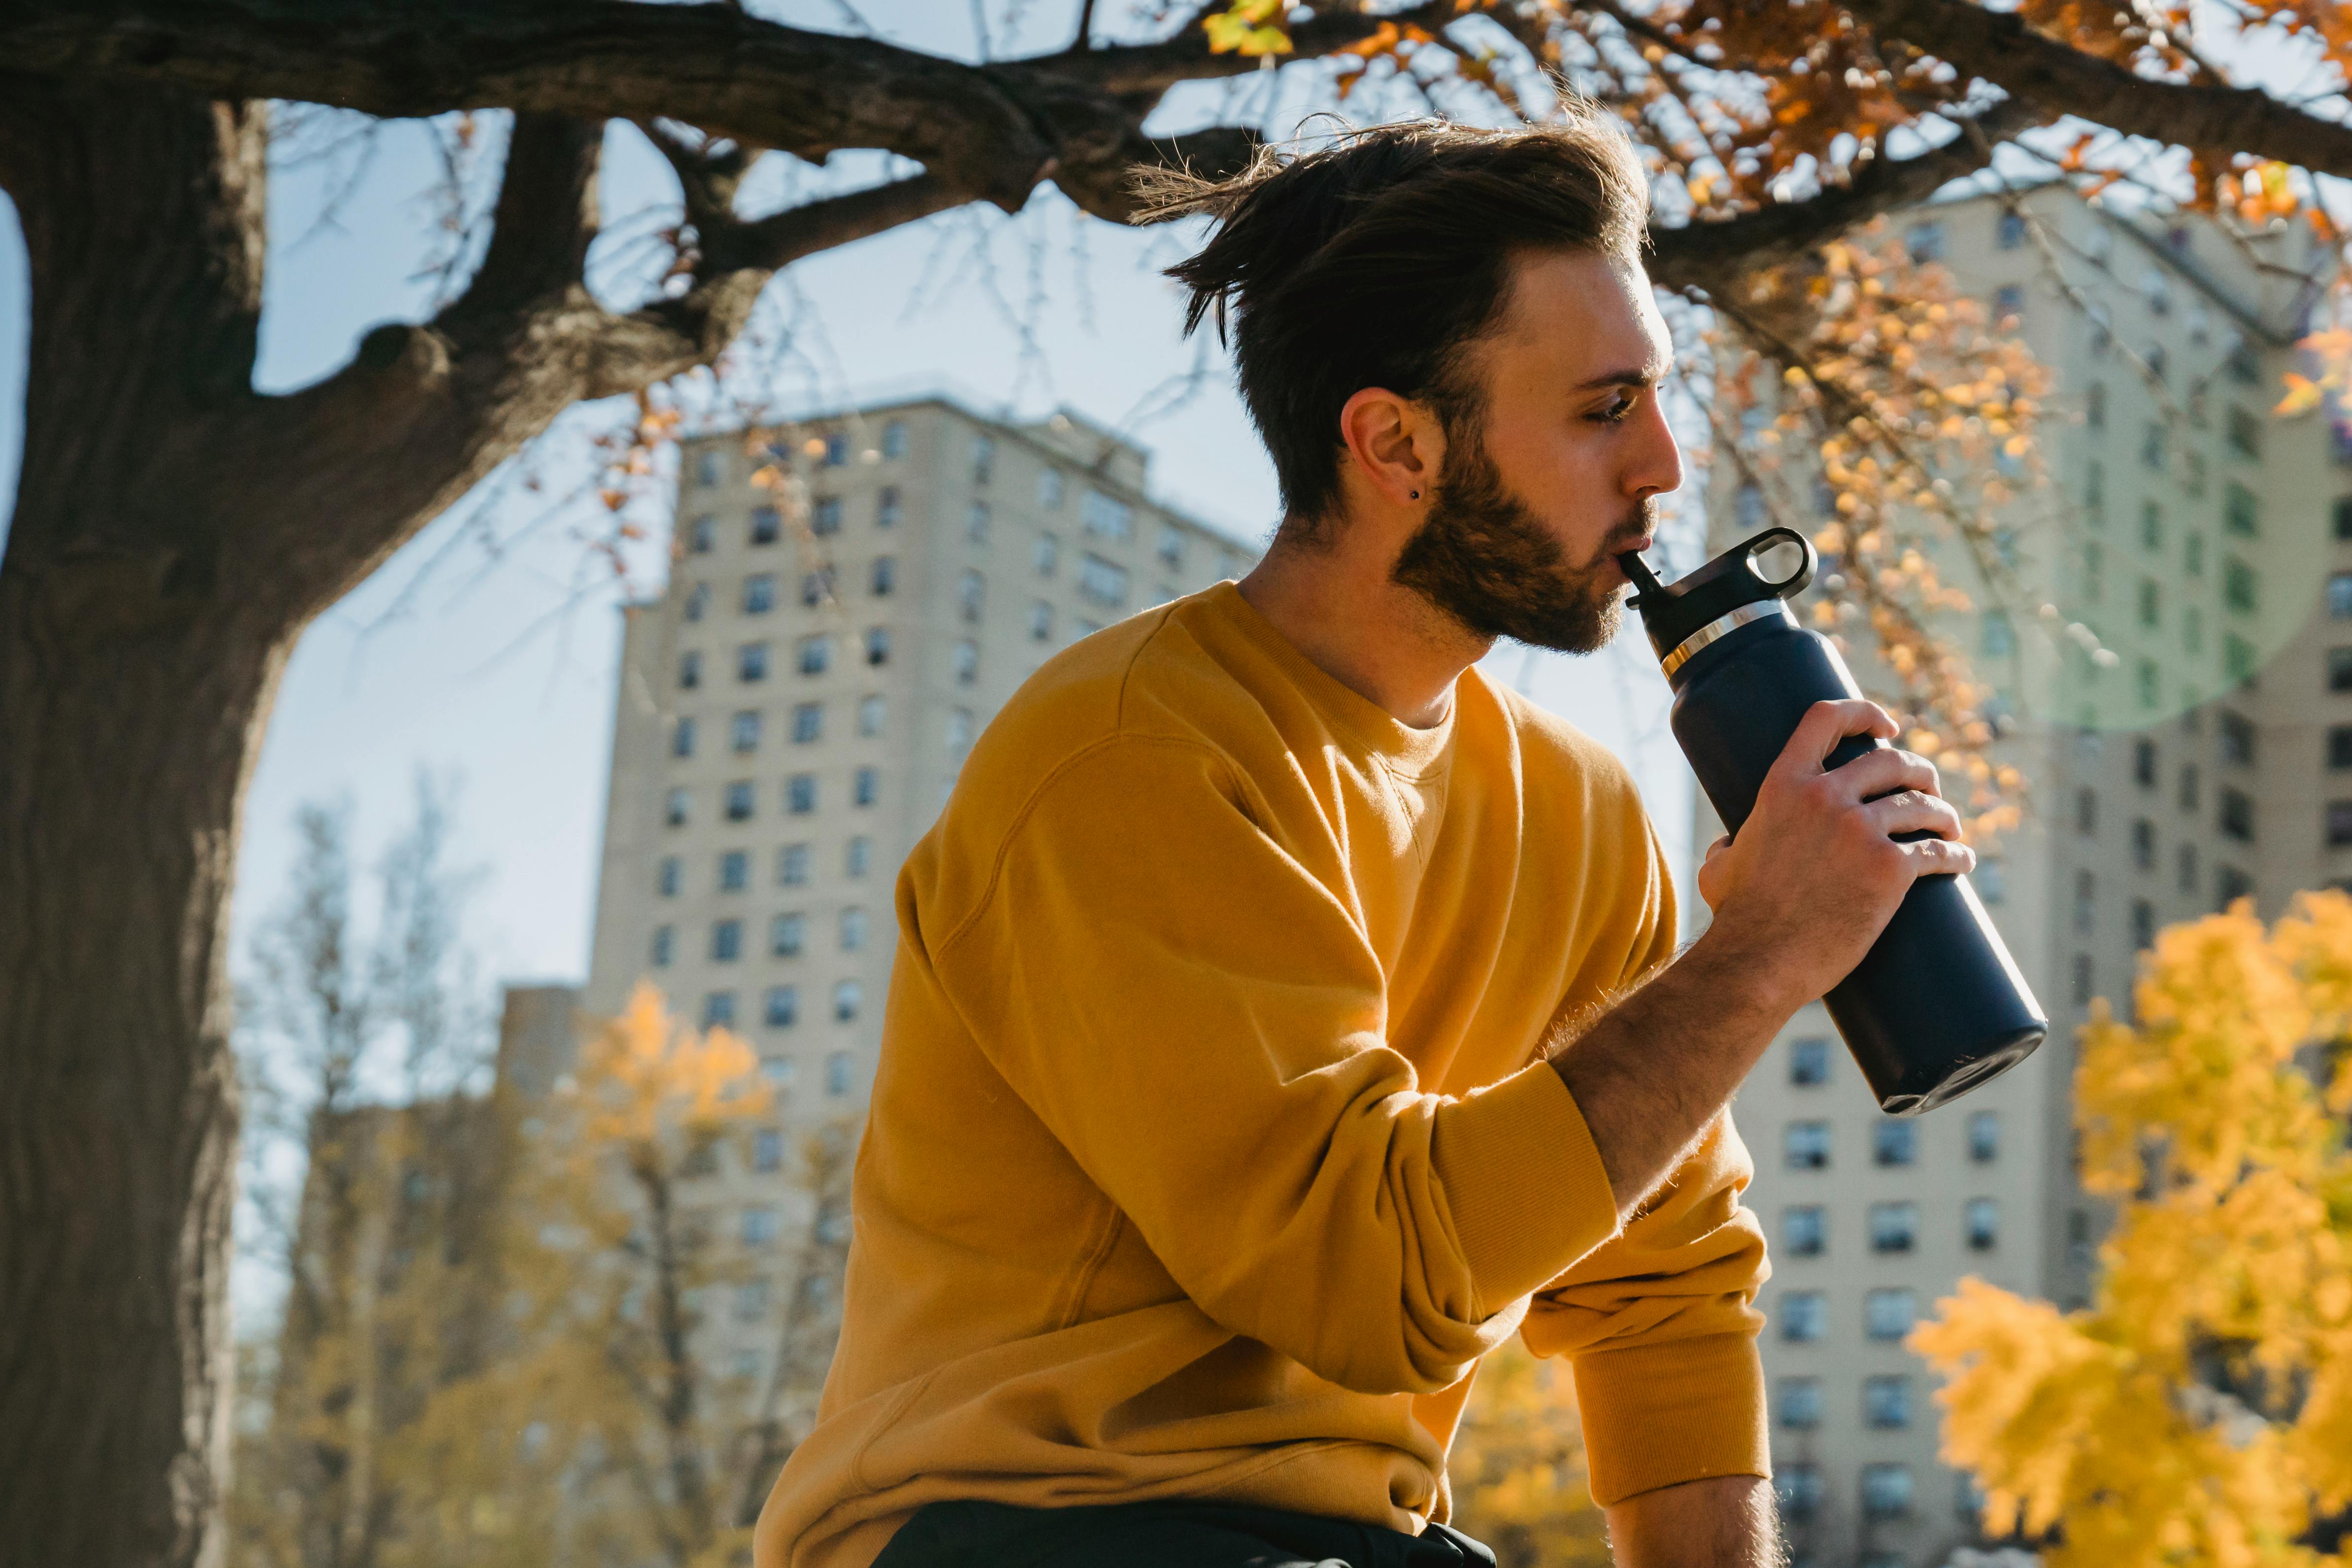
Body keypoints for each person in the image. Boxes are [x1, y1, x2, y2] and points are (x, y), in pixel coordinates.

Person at [754, 108, 1970, 1568]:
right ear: (1395, 439)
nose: (1661, 462)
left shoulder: (1576, 807)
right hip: (1032, 1526)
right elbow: (1362, 1269)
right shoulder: (1135, 753)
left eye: (1653, 398)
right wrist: (1765, 950)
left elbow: (1667, 1290)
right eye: (1601, 409)